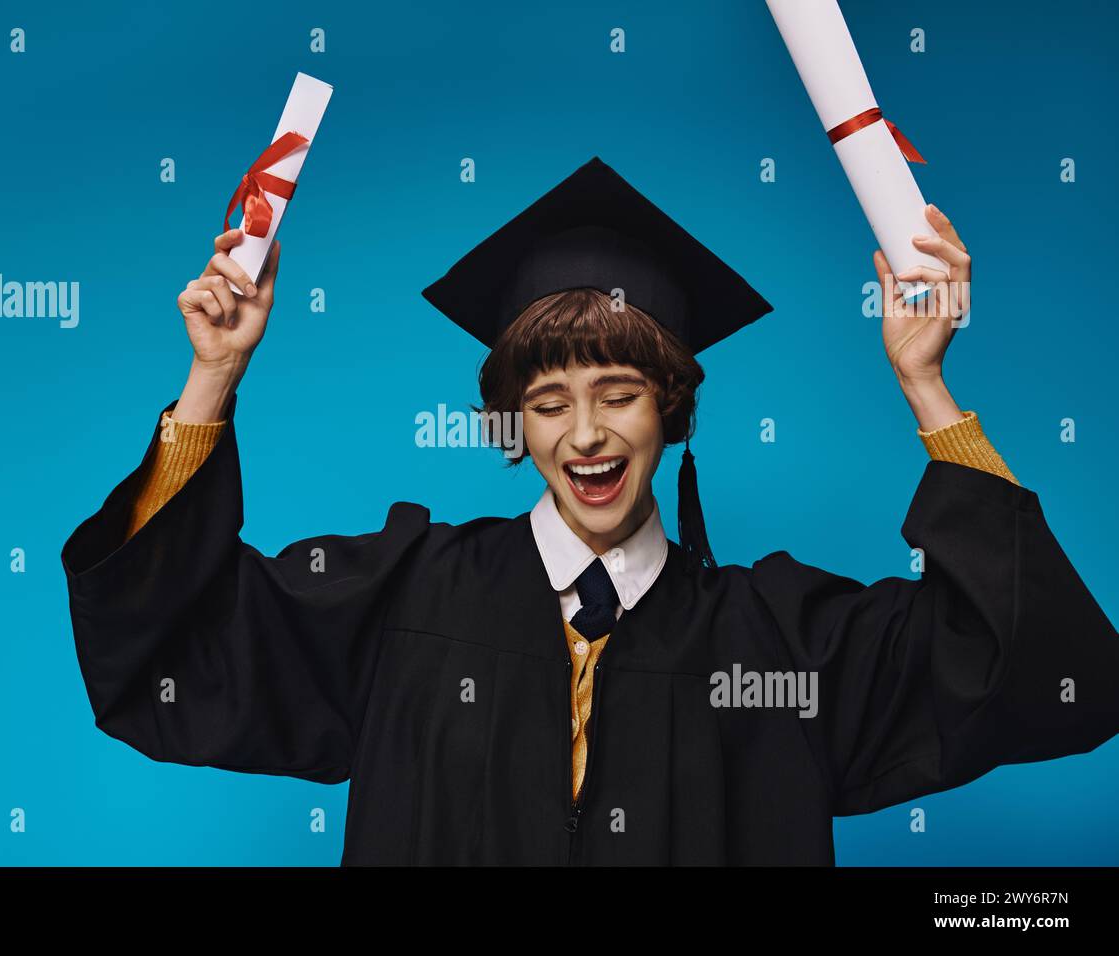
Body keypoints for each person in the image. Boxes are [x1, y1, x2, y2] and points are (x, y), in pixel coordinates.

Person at [61, 156, 1119, 865]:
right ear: (513, 425)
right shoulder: (403, 596)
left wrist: (928, 387)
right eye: (547, 402)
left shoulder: (783, 643)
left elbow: (1036, 674)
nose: (584, 435)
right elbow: (171, 644)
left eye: (618, 394)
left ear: (671, 408)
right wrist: (211, 379)